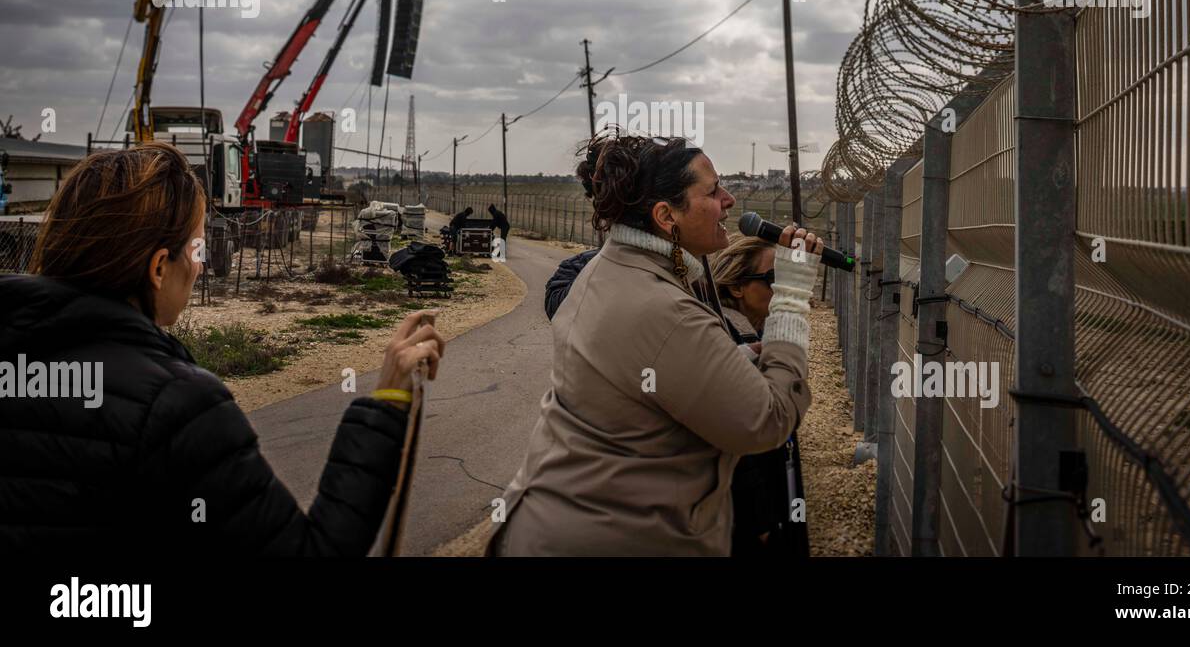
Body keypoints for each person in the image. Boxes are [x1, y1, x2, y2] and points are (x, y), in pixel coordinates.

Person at [0, 142, 445, 555]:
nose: (200, 264)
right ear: (158, 268)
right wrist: (384, 403)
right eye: (195, 248)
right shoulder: (178, 406)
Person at [487, 133, 821, 556]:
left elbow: (639, 376)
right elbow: (768, 421)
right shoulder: (665, 309)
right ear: (667, 216)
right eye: (713, 190)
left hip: (556, 525)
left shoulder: (611, 268)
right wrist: (791, 297)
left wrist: (721, 364)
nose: (729, 199)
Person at [696, 235, 800, 555]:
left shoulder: (756, 332)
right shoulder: (725, 339)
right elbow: (736, 444)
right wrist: (761, 520)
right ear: (738, 287)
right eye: (773, 279)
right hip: (740, 520)